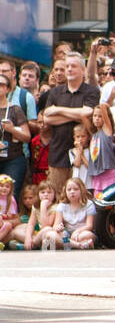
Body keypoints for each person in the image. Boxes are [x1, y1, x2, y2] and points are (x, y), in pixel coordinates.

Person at [39, 51, 99, 198]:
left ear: (83, 69)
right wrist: (77, 115)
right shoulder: (55, 92)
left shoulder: (92, 91)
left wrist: (58, 110)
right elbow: (46, 118)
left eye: (73, 66)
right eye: (67, 66)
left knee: (83, 198)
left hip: (84, 156)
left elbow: (88, 113)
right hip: (58, 154)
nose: (69, 69)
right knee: (57, 198)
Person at [0, 71, 31, 187]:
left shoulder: (15, 109)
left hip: (13, 159)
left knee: (11, 194)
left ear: (8, 89)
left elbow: (27, 137)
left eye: (2, 85)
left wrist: (12, 129)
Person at [54, 177, 96, 249]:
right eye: (69, 189)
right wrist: (58, 228)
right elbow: (56, 225)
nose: (72, 192)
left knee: (85, 236)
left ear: (82, 190)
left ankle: (69, 244)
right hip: (67, 234)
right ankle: (79, 245)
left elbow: (90, 225)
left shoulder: (89, 204)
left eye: (76, 189)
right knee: (52, 235)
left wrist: (77, 231)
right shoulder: (61, 206)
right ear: (65, 191)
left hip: (82, 232)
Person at [0, 174, 19, 247]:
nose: (4, 188)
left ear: (11, 188)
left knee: (8, 225)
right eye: (1, 186)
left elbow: (11, 215)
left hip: (4, 221)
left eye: (7, 186)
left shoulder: (11, 199)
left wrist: (4, 216)